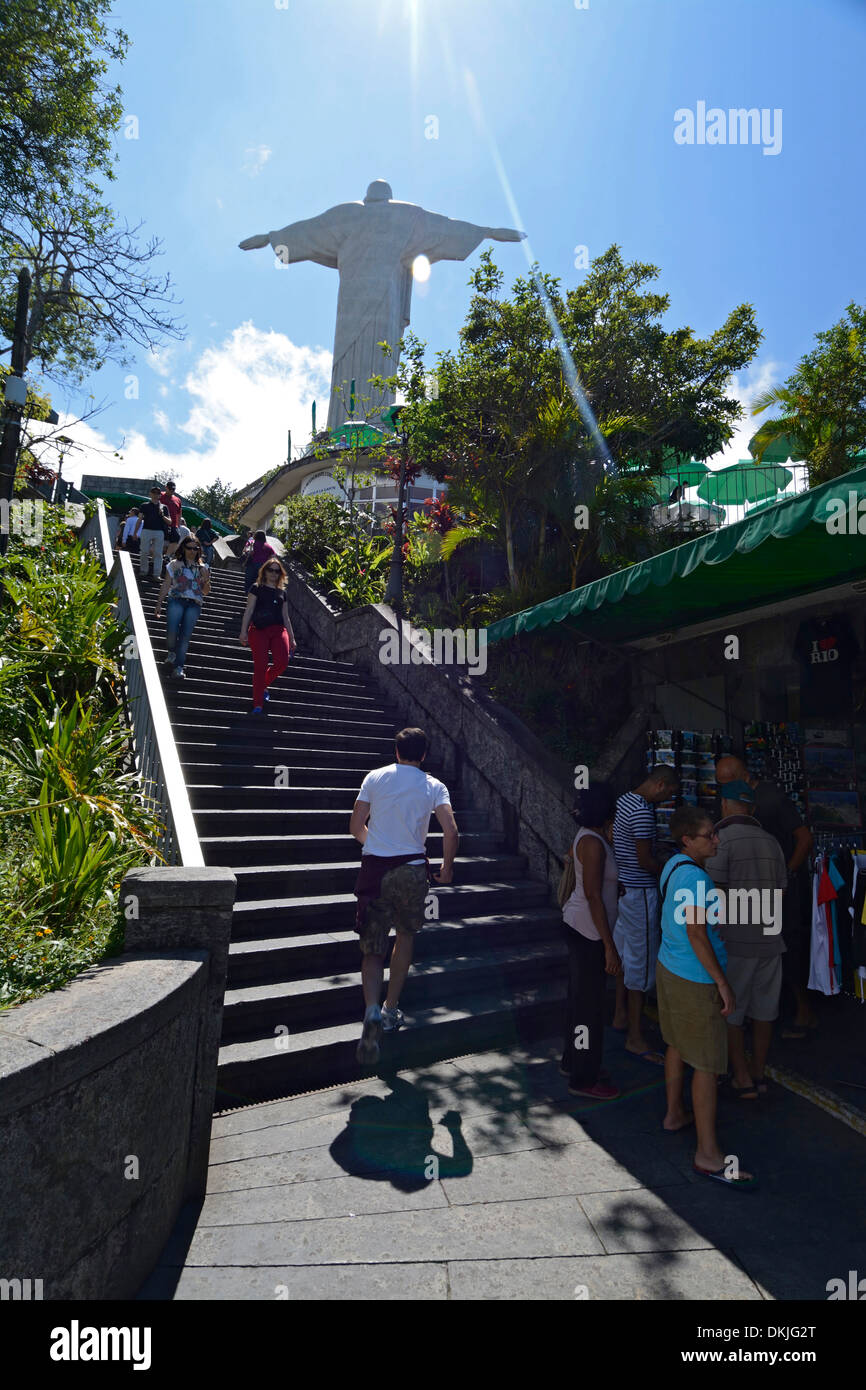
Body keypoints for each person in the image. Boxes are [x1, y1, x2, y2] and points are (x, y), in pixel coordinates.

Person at [657, 805, 757, 1188]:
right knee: (708, 1064)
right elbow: (697, 933)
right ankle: (708, 1154)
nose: (716, 839)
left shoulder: (672, 866)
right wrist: (723, 982)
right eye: (709, 835)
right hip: (695, 978)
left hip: (669, 967)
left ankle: (673, 1114)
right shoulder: (697, 879)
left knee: (677, 1044)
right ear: (688, 840)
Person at [349, 727, 459, 1067]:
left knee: (372, 945)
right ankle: (391, 1009)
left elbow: (355, 825)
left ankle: (370, 1010)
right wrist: (447, 867)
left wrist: (377, 847)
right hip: (413, 870)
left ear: (396, 751)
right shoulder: (434, 786)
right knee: (406, 936)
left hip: (376, 870)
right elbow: (452, 831)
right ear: (423, 754)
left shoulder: (375, 777)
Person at [716, 755, 815, 1037]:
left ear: (744, 776)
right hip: (754, 891)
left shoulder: (771, 798)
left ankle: (803, 1011)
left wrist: (787, 874)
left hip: (778, 889)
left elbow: (804, 838)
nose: (723, 791)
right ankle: (753, 1012)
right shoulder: (736, 804)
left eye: (727, 783)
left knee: (786, 946)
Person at [706, 780, 788, 1099]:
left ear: (725, 806)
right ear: (750, 808)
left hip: (735, 942)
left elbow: (714, 894)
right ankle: (759, 1073)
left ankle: (741, 1076)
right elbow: (781, 893)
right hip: (770, 940)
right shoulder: (772, 842)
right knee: (765, 1011)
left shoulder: (720, 841)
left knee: (732, 1011)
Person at [611, 764, 680, 1064]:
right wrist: (670, 871)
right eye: (670, 793)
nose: (667, 800)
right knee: (640, 969)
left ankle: (620, 1015)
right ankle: (636, 1038)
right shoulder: (642, 812)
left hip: (624, 889)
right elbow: (644, 860)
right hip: (640, 894)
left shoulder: (623, 800)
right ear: (661, 784)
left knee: (626, 957)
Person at [560, 783, 623, 1099]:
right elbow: (594, 895)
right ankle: (583, 1079)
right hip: (589, 932)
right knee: (589, 1009)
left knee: (579, 1002)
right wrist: (609, 945)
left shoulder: (590, 837)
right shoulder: (593, 843)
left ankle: (573, 1062)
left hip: (581, 927)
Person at [239, 558, 297, 713]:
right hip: (259, 630)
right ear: (264, 571)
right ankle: (258, 703)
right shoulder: (256, 588)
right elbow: (249, 610)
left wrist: (292, 637)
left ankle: (262, 685)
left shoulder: (282, 593)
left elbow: (286, 616)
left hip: (278, 630)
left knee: (282, 662)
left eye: (276, 571)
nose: (273, 573)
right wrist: (243, 631)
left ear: (281, 574)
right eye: (270, 570)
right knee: (260, 665)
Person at [154, 535, 210, 680]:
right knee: (172, 629)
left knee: (185, 636)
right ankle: (172, 652)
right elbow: (166, 584)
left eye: (195, 548)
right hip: (176, 599)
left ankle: (179, 667)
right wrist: (159, 603)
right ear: (183, 548)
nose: (192, 551)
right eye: (189, 548)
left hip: (194, 603)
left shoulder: (203, 567)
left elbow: (205, 591)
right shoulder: (174, 564)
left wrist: (206, 579)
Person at [138, 487, 172, 581]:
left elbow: (169, 522)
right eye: (154, 492)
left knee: (158, 553)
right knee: (144, 551)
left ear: (160, 495)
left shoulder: (164, 507)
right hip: (146, 530)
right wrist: (135, 532)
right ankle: (143, 571)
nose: (155, 494)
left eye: (158, 493)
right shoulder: (144, 505)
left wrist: (162, 515)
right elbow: (140, 519)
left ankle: (156, 574)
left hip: (159, 532)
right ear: (150, 494)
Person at [243, 530, 276, 594]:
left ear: (255, 535)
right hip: (263, 567)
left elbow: (245, 550)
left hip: (252, 564)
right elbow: (273, 556)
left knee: (249, 580)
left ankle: (247, 593)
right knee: (258, 581)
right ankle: (256, 595)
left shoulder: (252, 542)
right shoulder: (268, 546)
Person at [160, 480, 183, 561]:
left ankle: (167, 556)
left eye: (173, 489)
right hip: (161, 522)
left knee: (177, 537)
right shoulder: (160, 495)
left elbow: (179, 513)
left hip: (173, 524)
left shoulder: (178, 500)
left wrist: (178, 525)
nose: (171, 491)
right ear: (166, 487)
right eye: (170, 489)